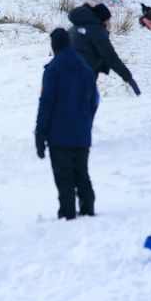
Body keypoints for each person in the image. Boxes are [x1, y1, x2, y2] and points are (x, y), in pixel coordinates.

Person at [35, 29, 98, 220]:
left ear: (54, 46)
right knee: (82, 174)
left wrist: (40, 133)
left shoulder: (53, 70)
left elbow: (46, 103)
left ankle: (67, 214)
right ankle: (88, 210)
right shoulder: (86, 69)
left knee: (64, 178)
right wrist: (87, 123)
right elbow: (93, 100)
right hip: (81, 133)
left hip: (59, 136)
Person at [68, 3, 140, 96]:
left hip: (67, 73)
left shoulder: (75, 28)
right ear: (103, 19)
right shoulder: (96, 29)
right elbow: (110, 56)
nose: (109, 23)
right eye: (108, 19)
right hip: (83, 75)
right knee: (87, 104)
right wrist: (128, 77)